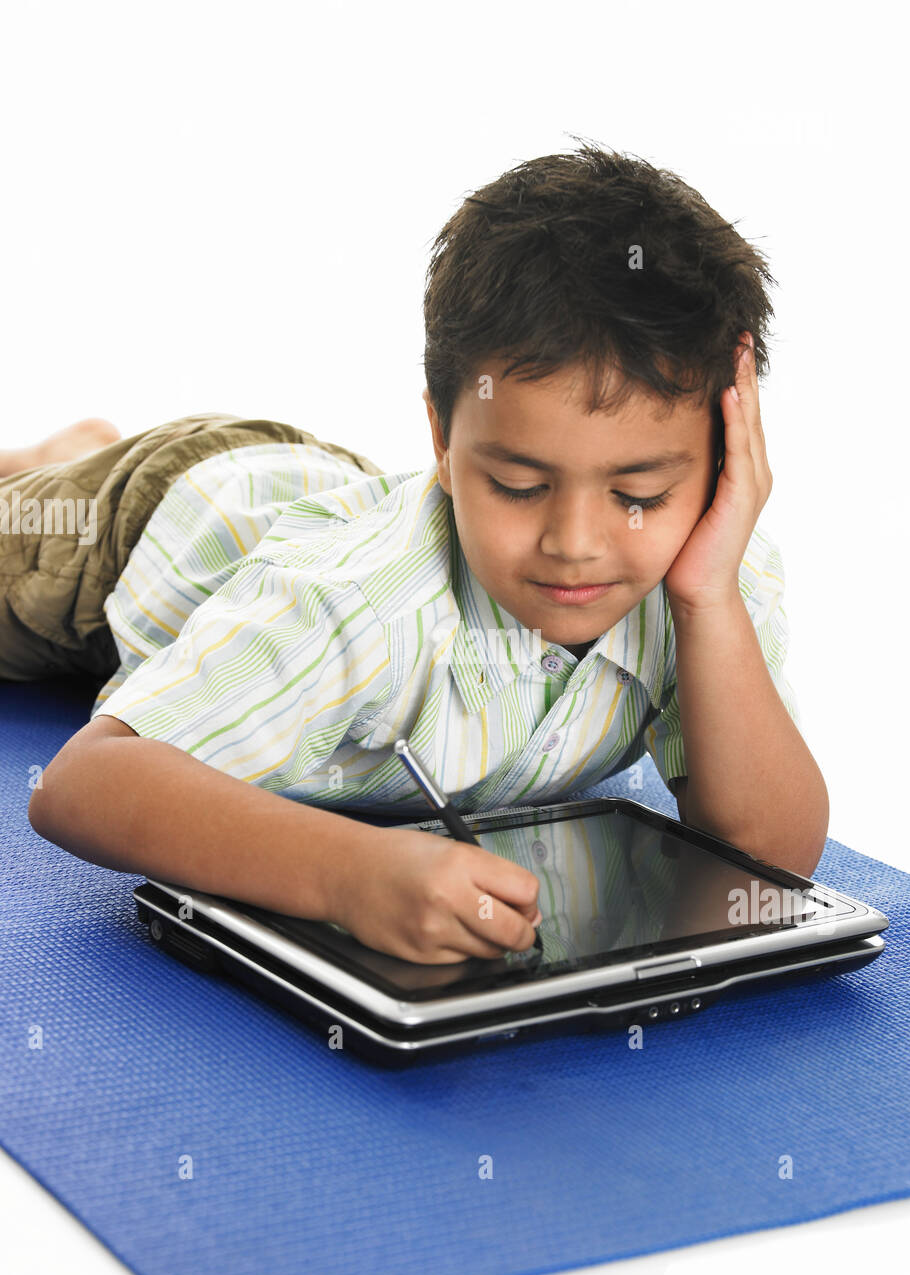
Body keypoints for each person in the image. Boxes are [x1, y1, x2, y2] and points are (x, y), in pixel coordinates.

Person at [22, 139, 829, 965]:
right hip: (148, 516)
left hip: (324, 492)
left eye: (638, 496)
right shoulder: (353, 608)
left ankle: (70, 449)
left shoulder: (713, 581)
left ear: (727, 463)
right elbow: (78, 786)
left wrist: (707, 603)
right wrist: (347, 872)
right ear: (442, 441)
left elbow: (766, 858)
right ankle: (61, 461)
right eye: (518, 485)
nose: (576, 545)